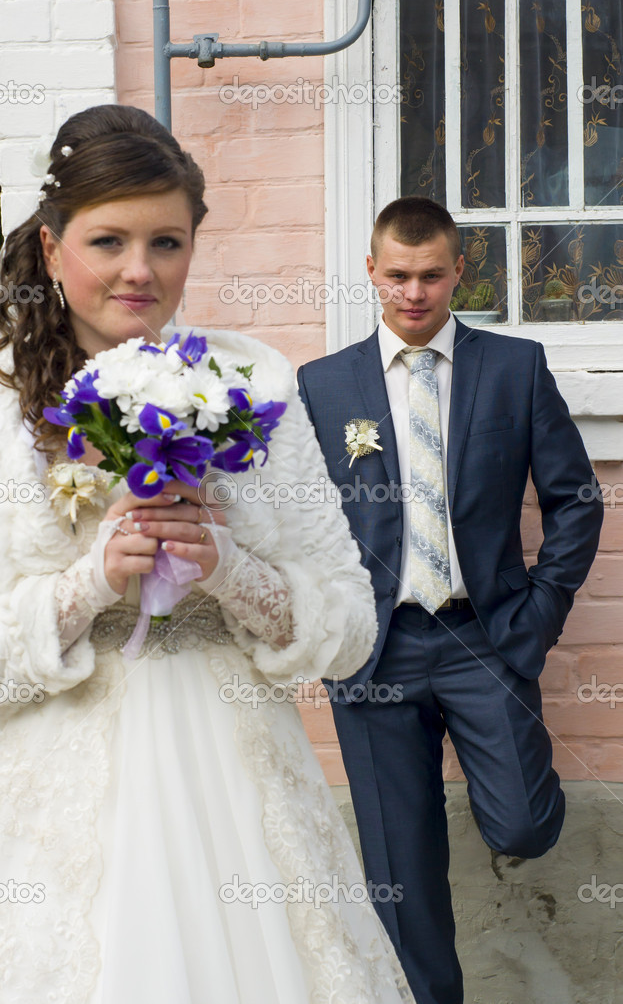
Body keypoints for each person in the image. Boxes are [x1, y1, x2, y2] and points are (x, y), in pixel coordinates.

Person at [0, 105, 416, 1004]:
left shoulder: (255, 381)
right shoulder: (2, 403)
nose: (139, 271)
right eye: (107, 240)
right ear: (49, 246)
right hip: (59, 803)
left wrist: (229, 568)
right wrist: (89, 581)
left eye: (168, 241)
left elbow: (347, 624)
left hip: (238, 786)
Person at [297, 195, 604, 1004]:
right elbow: (301, 519)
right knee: (402, 870)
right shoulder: (324, 386)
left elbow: (574, 499)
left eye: (431, 274)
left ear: (459, 272)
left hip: (486, 637)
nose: (413, 292)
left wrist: (537, 616)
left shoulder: (514, 367)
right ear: (371, 272)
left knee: (521, 826)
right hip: (374, 650)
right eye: (396, 275)